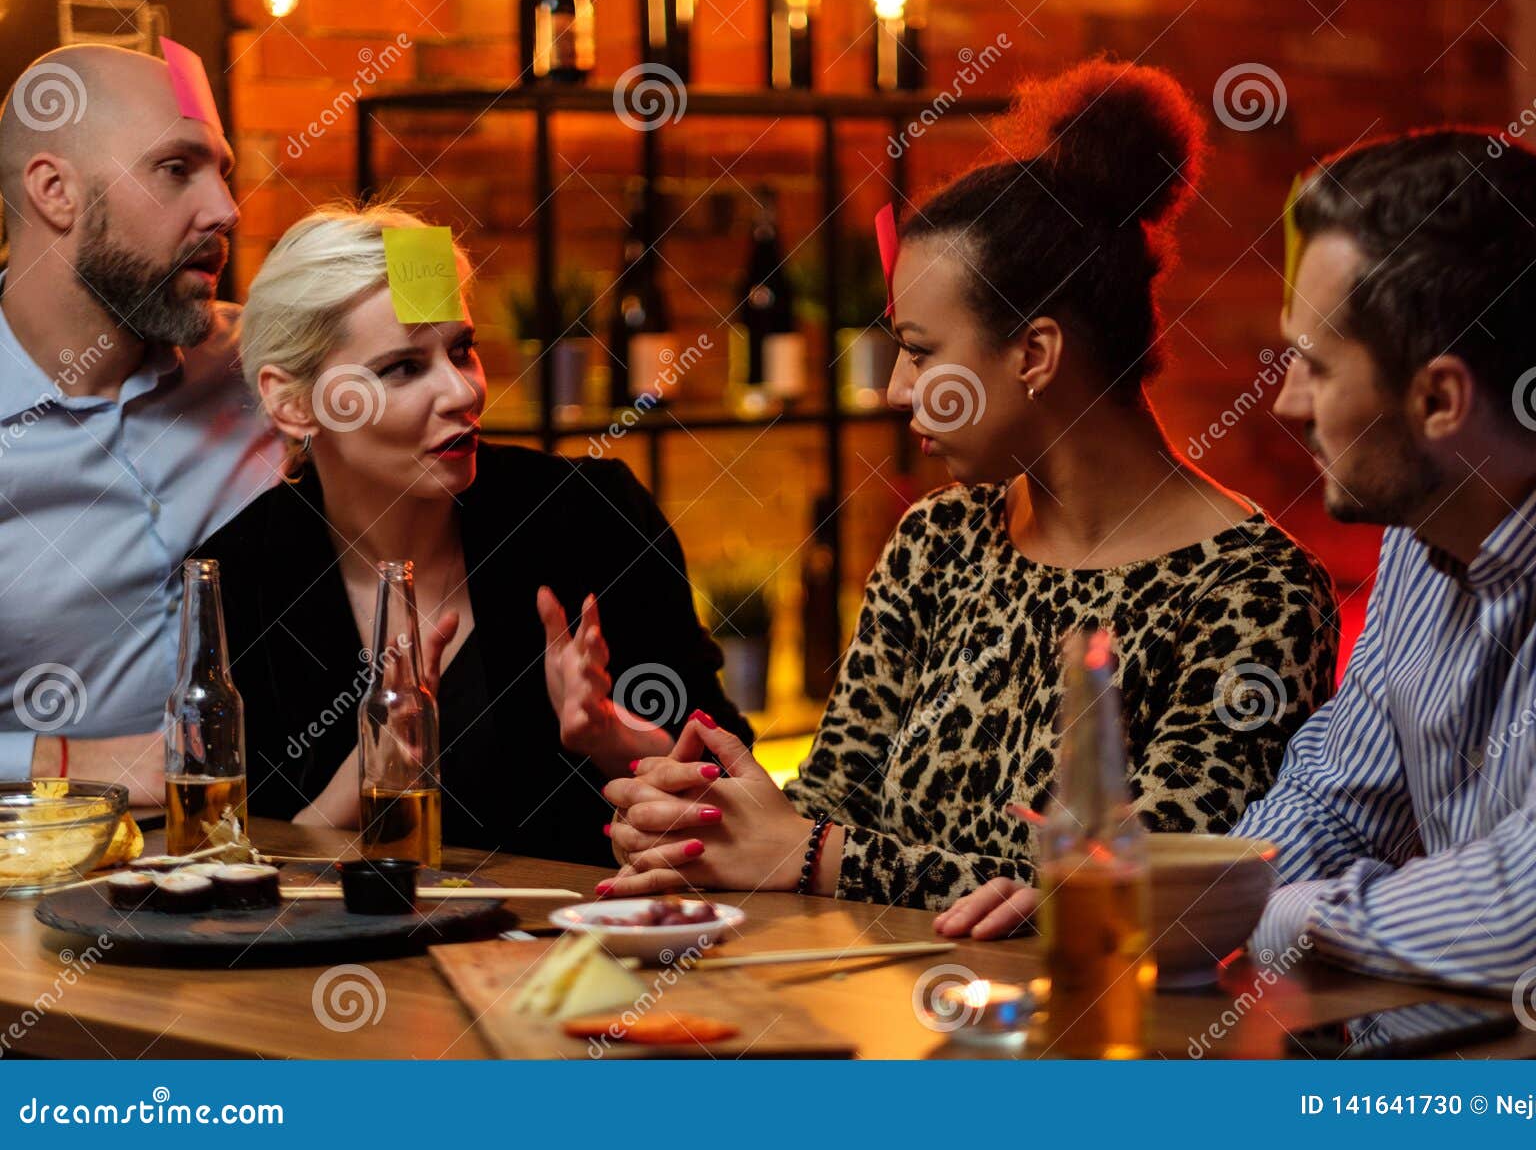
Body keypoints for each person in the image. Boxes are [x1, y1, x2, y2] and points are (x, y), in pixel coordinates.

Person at [597, 61, 1339, 908]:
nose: (898, 389)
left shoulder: (1256, 593)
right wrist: (716, 815)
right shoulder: (937, 541)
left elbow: (1143, 886)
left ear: (1035, 355)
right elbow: (833, 803)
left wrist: (811, 854)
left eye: (921, 350)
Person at [942, 128, 1536, 994]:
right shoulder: (1424, 528)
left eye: (1316, 366)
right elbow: (1335, 800)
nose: (1284, 399)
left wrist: (1277, 912)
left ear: (1440, 398)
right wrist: (1164, 895)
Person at [191, 203, 750, 866]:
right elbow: (241, 869)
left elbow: (740, 792)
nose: (462, 390)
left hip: (584, 956)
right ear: (291, 400)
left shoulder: (590, 515)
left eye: (462, 349)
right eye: (402, 367)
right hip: (353, 966)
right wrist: (373, 768)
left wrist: (614, 740)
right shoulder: (239, 573)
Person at [0, 45, 279, 803]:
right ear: (56, 191)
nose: (225, 208)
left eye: (222, 170)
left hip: (263, 866)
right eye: (176, 168)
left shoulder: (262, 365)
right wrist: (80, 766)